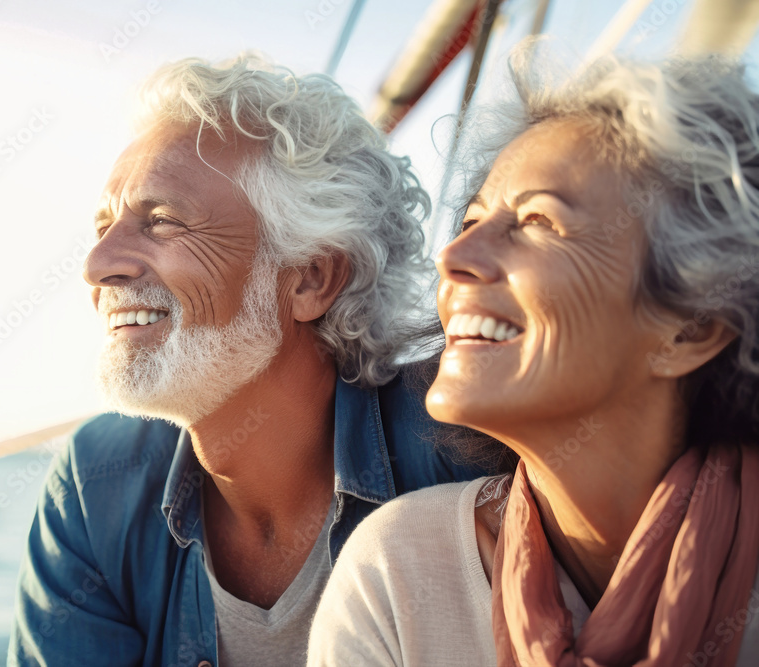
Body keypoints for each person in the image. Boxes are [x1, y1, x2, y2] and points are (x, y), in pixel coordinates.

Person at [8, 54, 487, 667]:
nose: (98, 265)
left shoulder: (465, 446)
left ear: (311, 278)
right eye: (104, 225)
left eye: (161, 222)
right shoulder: (95, 482)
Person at [307, 47, 759, 667]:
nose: (454, 256)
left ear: (693, 326)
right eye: (471, 219)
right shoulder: (398, 570)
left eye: (538, 222)